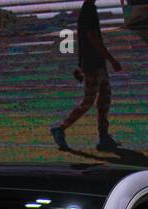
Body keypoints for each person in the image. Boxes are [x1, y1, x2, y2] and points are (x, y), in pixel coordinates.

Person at [50, 0, 122, 153]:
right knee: (88, 102)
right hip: (93, 66)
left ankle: (104, 137)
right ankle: (60, 128)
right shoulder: (88, 10)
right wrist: (112, 59)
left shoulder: (90, 9)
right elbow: (92, 38)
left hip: (97, 64)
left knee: (104, 101)